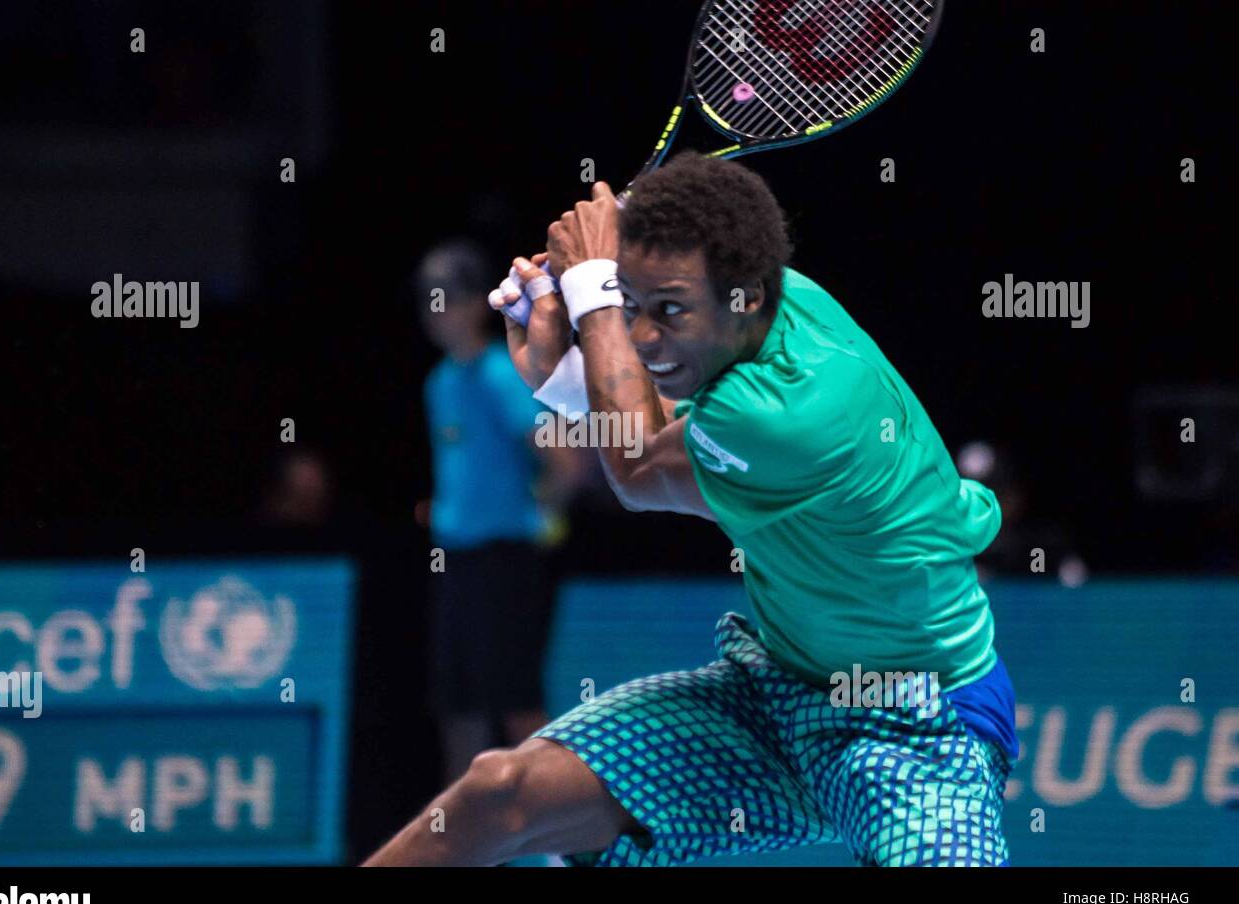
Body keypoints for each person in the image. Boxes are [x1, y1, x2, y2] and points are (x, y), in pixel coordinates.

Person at [366, 155, 1019, 867]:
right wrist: (568, 371)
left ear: (744, 296)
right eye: (634, 307)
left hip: (916, 722)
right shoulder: (765, 313)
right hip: (772, 697)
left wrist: (592, 294)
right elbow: (664, 426)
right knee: (500, 791)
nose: (644, 338)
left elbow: (641, 467)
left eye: (669, 310)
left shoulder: (799, 409)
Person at [414, 239, 582, 785]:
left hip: (506, 562)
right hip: (456, 564)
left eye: (448, 299)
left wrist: (543, 516)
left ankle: (559, 848)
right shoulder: (439, 382)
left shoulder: (501, 375)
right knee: (456, 711)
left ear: (473, 305)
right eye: (428, 300)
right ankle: (465, 847)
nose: (437, 313)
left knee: (517, 708)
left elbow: (565, 461)